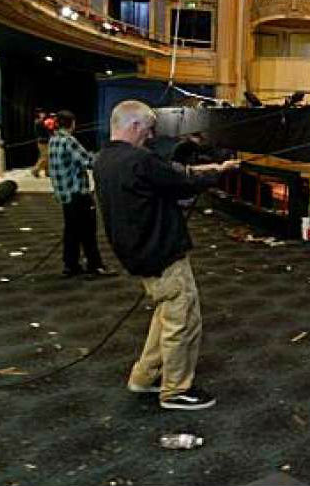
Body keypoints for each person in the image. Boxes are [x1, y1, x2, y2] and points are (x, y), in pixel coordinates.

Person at [92, 99, 239, 411]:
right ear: (134, 125)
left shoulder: (104, 158)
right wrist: (219, 172)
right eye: (148, 129)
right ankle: (175, 390)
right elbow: (183, 181)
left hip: (136, 252)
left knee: (167, 315)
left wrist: (208, 170)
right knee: (183, 320)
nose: (150, 136)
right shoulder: (139, 159)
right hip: (160, 252)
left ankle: (144, 377)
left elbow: (172, 174)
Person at [47, 110, 108, 277]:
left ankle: (71, 265)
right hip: (78, 194)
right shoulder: (69, 141)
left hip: (64, 195)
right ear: (72, 123)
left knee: (71, 231)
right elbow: (88, 162)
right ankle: (95, 266)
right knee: (88, 231)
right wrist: (101, 156)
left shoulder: (53, 140)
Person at [31, 109, 55, 177]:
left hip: (46, 140)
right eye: (41, 113)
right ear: (38, 114)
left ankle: (48, 172)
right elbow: (43, 131)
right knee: (45, 157)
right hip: (42, 141)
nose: (43, 114)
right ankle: (35, 170)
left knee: (48, 157)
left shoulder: (43, 121)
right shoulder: (38, 122)